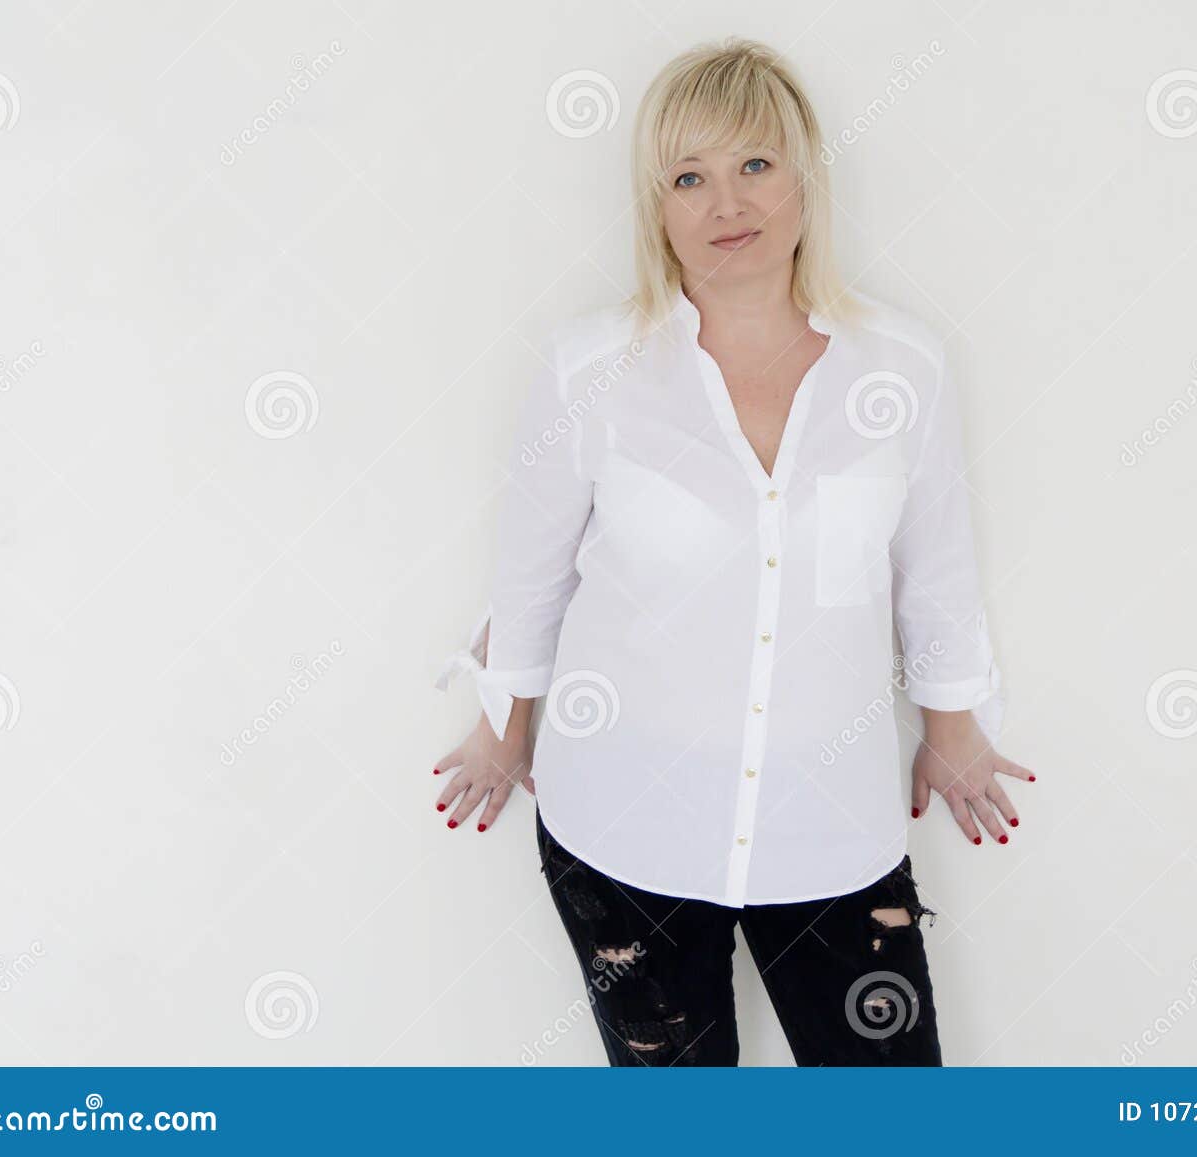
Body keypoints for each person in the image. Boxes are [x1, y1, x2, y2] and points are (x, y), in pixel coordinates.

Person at [432, 36, 1034, 1066]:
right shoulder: (592, 369)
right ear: (655, 205)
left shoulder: (902, 367)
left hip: (830, 829)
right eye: (689, 177)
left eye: (755, 165)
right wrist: (502, 727)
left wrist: (954, 728)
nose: (726, 204)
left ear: (804, 178)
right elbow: (531, 575)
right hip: (622, 826)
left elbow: (933, 572)